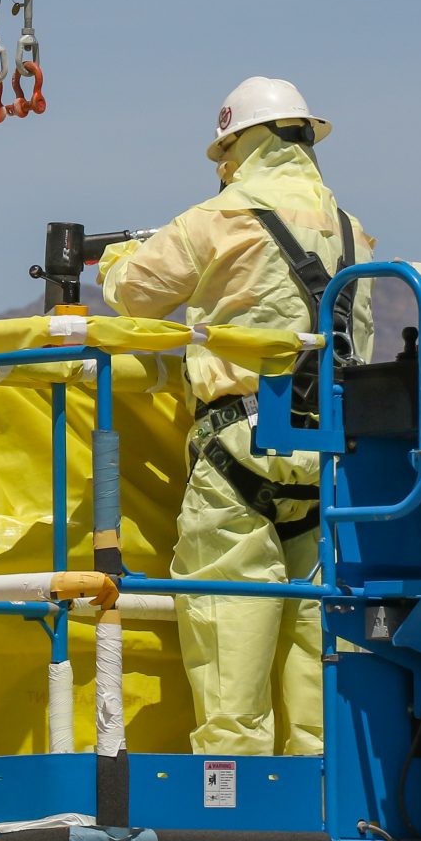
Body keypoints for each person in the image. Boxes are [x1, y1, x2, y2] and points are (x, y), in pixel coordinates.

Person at [99, 77, 373, 757]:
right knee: (318, 656)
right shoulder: (356, 234)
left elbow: (135, 294)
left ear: (238, 144)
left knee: (229, 641)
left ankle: (234, 807)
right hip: (334, 460)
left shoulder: (219, 219)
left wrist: (113, 260)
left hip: (240, 449)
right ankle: (320, 808)